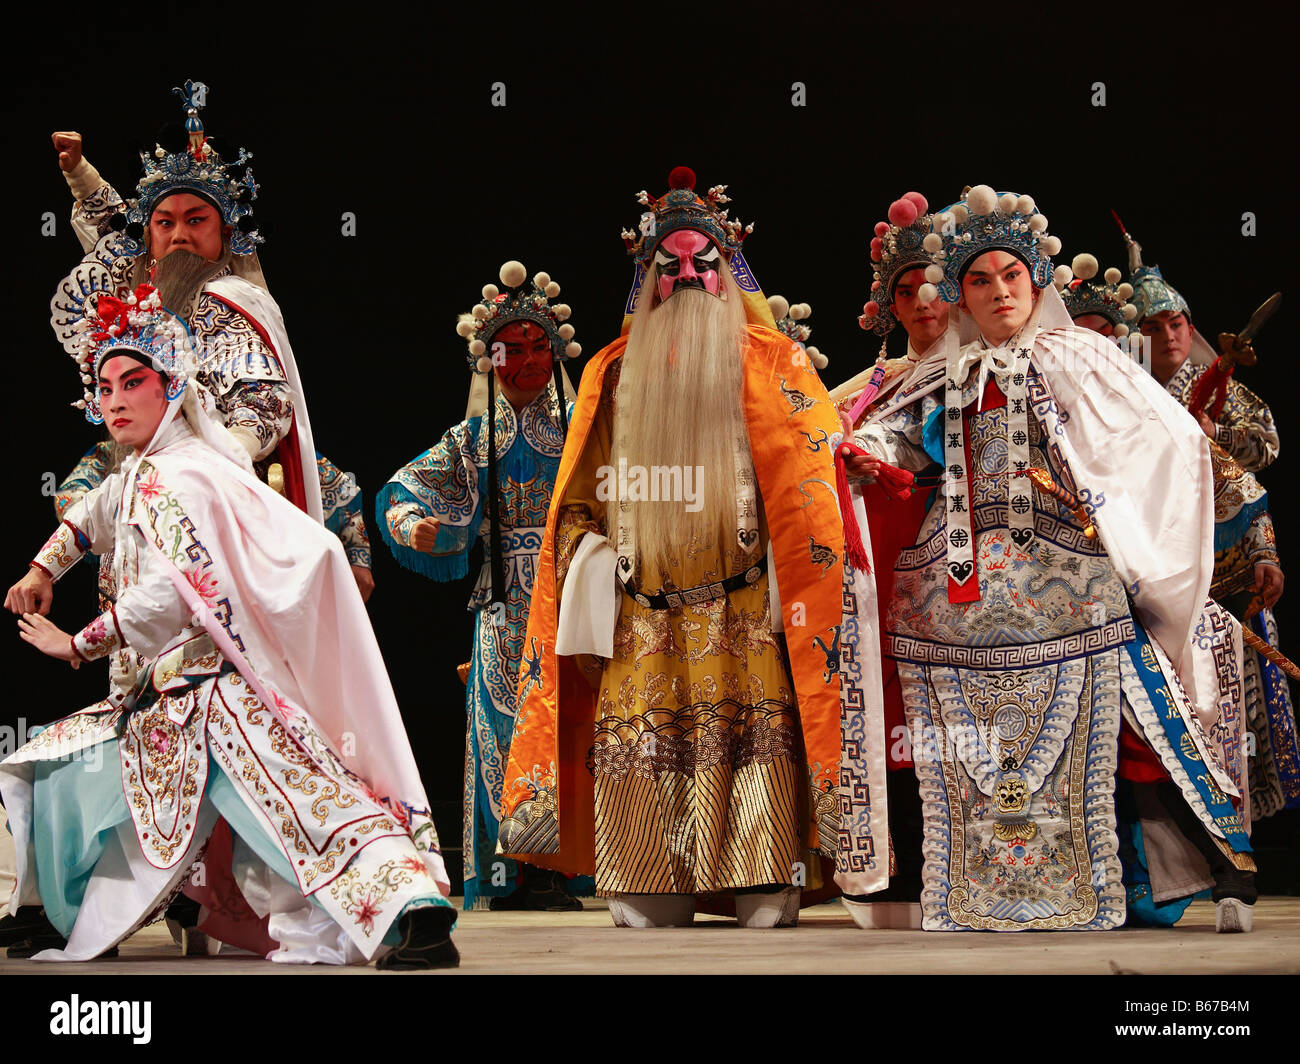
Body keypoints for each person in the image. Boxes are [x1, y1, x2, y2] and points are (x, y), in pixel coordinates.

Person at [0, 282, 457, 967]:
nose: (117, 400)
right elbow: (88, 516)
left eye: (134, 382)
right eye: (105, 387)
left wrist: (77, 643)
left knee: (300, 808)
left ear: (171, 390)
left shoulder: (180, 476)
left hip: (212, 695)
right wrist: (42, 571)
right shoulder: (145, 471)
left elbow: (170, 596)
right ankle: (50, 916)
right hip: (167, 699)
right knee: (52, 769)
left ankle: (414, 917)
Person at [846, 186, 1255, 931]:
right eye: (980, 279)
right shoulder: (949, 370)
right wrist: (867, 454)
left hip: (1072, 579)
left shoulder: (1083, 358)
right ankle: (1000, 887)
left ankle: (1196, 875)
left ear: (1036, 283)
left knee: (1141, 730)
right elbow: (896, 432)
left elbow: (1161, 442)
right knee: (979, 751)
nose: (999, 293)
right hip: (960, 589)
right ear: (960, 293)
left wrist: (1123, 517)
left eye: (1011, 276)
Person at [497, 168, 889, 928]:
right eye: (666, 265)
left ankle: (764, 873)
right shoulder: (612, 373)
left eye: (700, 264)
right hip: (641, 619)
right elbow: (575, 499)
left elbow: (812, 489)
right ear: (644, 277)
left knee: (758, 791)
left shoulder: (776, 363)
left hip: (745, 612)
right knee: (643, 876)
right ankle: (646, 873)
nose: (683, 277)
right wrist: (592, 556)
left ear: (726, 272)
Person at [50, 80, 374, 601]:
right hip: (141, 477)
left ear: (225, 233)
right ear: (149, 236)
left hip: (224, 483)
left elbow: (263, 404)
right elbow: (113, 227)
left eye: (196, 221)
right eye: (165, 223)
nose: (179, 234)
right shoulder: (140, 296)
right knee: (79, 501)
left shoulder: (230, 301)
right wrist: (80, 174)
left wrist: (223, 463)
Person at [376, 261, 586, 911]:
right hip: (500, 603)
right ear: (489, 359)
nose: (525, 360)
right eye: (511, 349)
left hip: (572, 594)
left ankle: (560, 863)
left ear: (554, 355)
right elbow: (403, 490)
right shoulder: (473, 439)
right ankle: (511, 868)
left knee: (568, 725)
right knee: (501, 726)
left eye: (537, 348)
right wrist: (412, 524)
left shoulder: (584, 429)